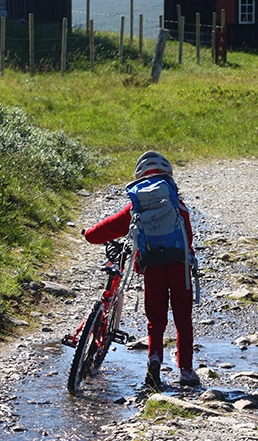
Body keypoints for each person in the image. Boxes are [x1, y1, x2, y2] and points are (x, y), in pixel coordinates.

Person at [82, 151, 199, 389]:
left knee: (155, 320)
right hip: (180, 268)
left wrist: (88, 235)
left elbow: (108, 227)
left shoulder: (136, 208)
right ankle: (186, 371)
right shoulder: (178, 205)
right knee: (183, 320)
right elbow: (189, 237)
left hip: (152, 269)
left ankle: (154, 360)